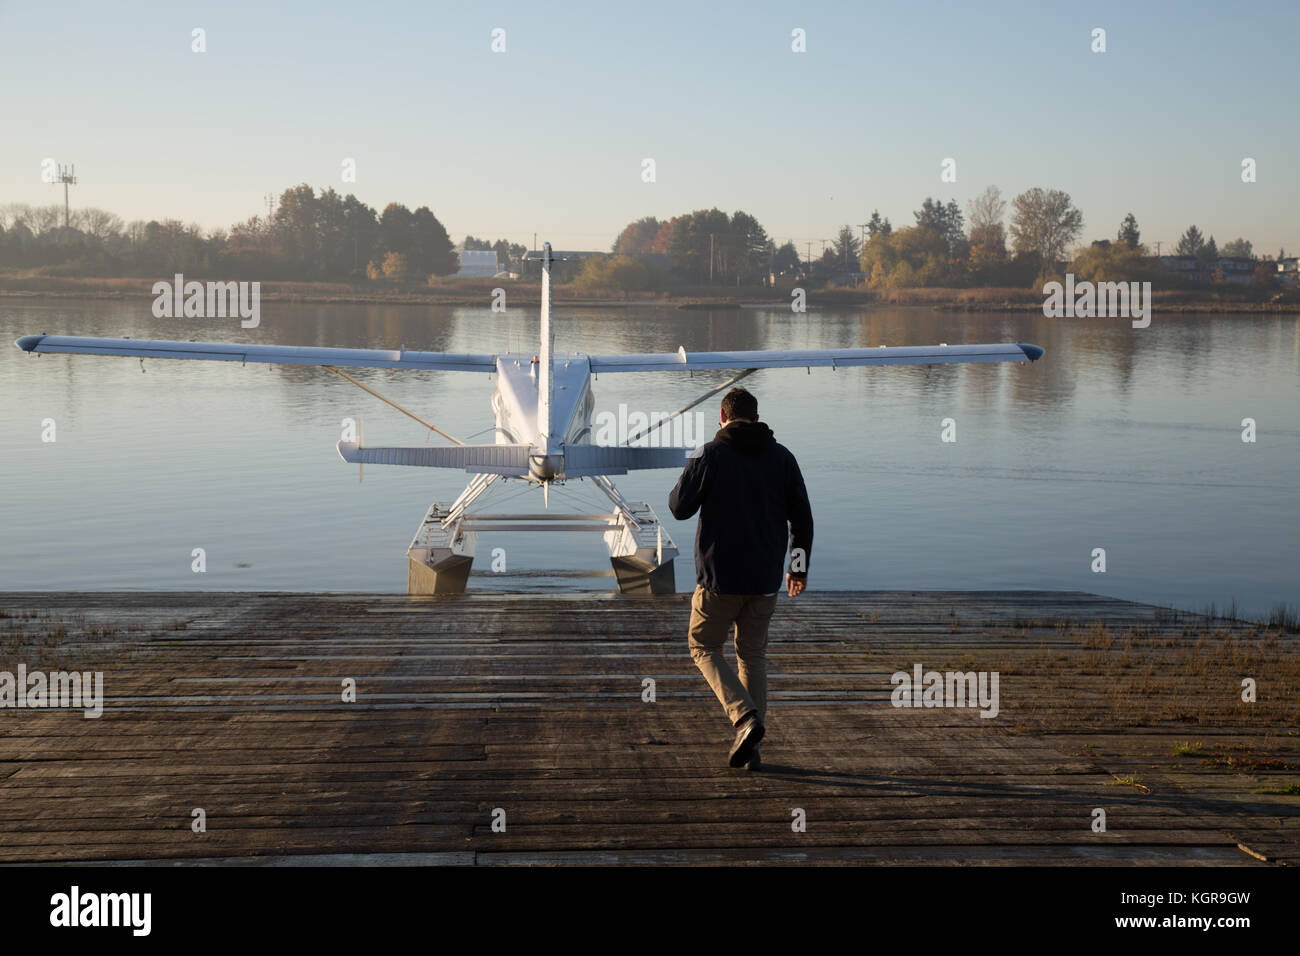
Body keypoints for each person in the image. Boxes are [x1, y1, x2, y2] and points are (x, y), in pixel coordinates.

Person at [668, 386, 813, 770]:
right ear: (756, 416)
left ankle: (744, 719)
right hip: (765, 580)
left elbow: (679, 507)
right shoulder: (783, 457)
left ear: (722, 417)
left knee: (702, 647)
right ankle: (753, 750)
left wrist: (694, 464)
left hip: (719, 579)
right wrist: (797, 567)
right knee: (752, 655)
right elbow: (802, 519)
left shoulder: (709, 453)